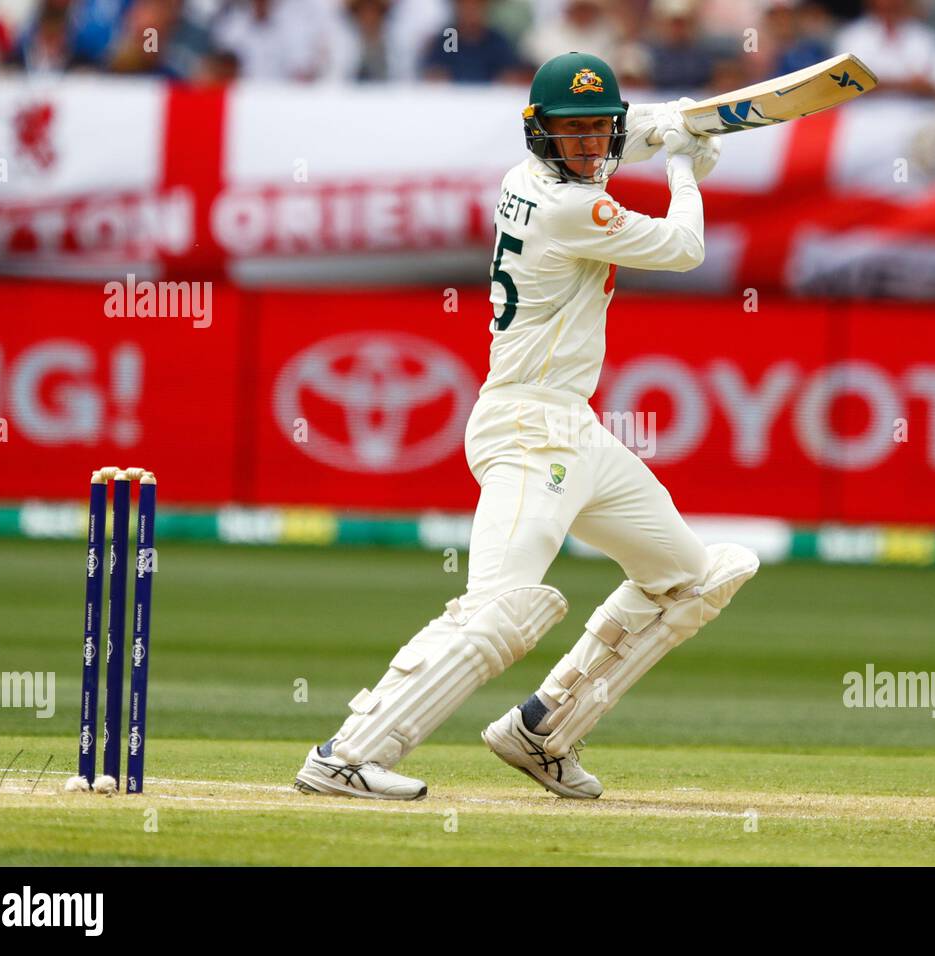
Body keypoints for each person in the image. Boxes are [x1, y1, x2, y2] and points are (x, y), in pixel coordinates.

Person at [295, 51, 758, 801]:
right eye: (570, 133)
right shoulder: (566, 206)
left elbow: (624, 133)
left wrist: (674, 122)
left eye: (596, 132)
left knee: (692, 580)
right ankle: (346, 754)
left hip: (574, 430)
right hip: (526, 429)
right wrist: (683, 166)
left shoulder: (534, 175)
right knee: (502, 608)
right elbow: (685, 247)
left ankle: (542, 729)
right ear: (538, 134)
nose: (587, 145)